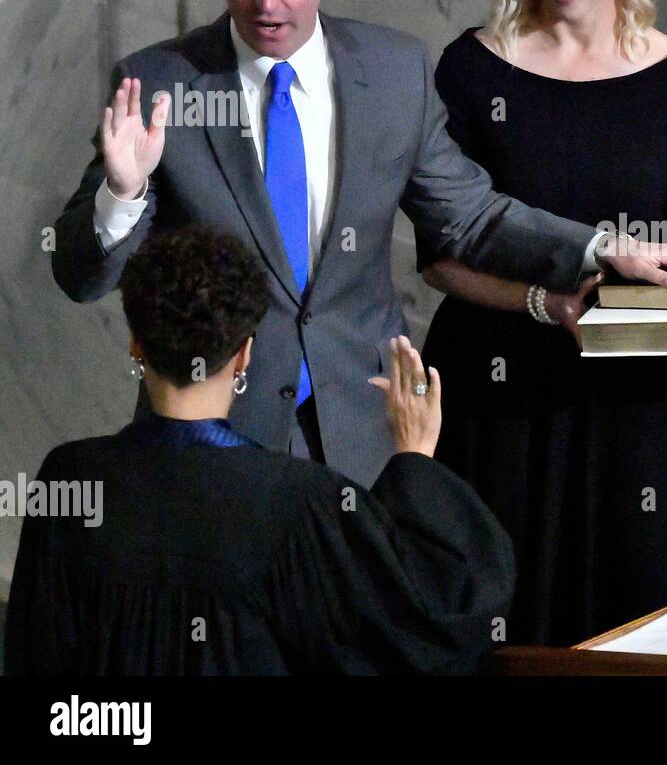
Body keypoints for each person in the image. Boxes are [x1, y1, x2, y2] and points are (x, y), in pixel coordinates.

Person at [50, 0, 667, 490]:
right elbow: (80, 276)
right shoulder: (159, 81)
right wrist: (123, 192)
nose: (266, 2)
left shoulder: (394, 71)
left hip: (362, 437)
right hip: (212, 442)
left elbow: (469, 215)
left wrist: (601, 248)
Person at [414, 0, 667, 646]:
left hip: (639, 405)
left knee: (651, 632)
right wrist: (545, 302)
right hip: (496, 395)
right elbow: (442, 251)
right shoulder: (469, 67)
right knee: (499, 626)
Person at [6, 226, 513, 674]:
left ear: (137, 342)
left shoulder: (70, 478)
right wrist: (415, 458)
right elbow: (437, 619)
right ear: (246, 351)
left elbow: (37, 655)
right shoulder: (301, 500)